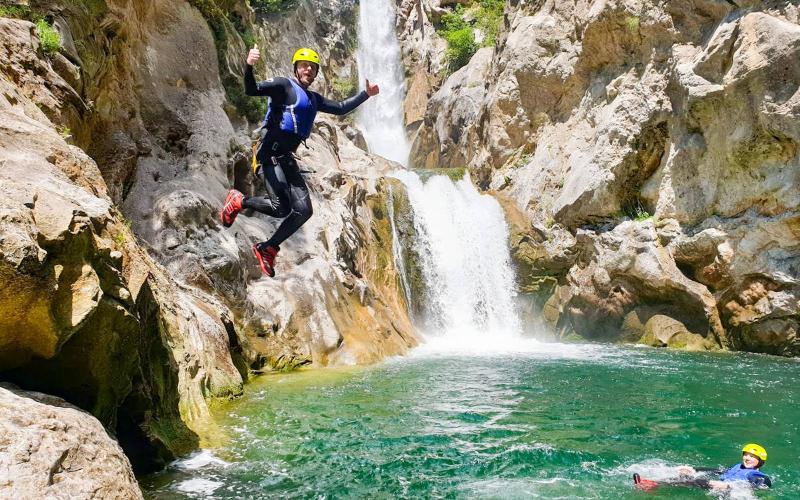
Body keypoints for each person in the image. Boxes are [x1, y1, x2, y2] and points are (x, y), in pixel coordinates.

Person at [220, 46, 379, 277]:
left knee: (304, 210)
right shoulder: (284, 86)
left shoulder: (313, 99)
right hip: (268, 154)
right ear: (296, 68)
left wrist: (366, 94)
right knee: (280, 207)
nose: (308, 70)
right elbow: (251, 89)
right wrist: (249, 65)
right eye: (304, 65)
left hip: (286, 158)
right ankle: (239, 200)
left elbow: (340, 107)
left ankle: (268, 248)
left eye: (312, 68)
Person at [633, 443, 772, 491]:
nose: (747, 458)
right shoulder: (739, 466)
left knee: (697, 482)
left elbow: (764, 483)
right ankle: (653, 483)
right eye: (746, 455)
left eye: (752, 457)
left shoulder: (754, 474)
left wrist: (729, 486)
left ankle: (654, 484)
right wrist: (695, 469)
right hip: (720, 487)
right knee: (686, 475)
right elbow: (720, 471)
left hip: (734, 493)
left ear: (760, 462)